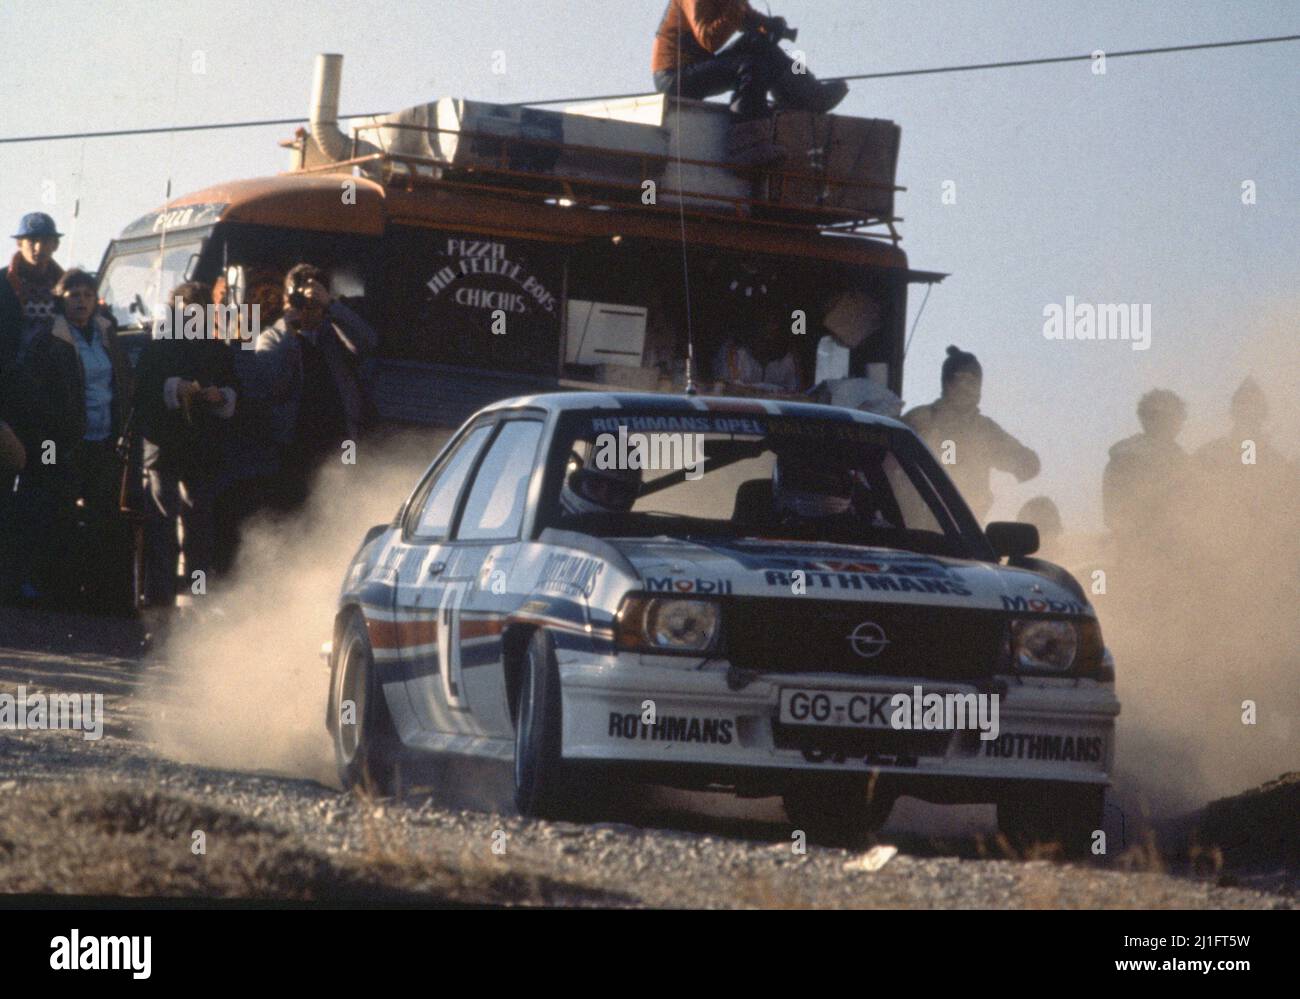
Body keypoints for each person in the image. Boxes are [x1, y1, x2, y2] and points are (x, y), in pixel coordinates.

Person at [133, 281, 238, 609]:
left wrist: (222, 396)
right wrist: (173, 388)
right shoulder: (157, 348)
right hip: (163, 448)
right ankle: (160, 601)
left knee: (199, 528)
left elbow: (235, 392)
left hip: (201, 450)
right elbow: (141, 395)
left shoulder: (218, 350)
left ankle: (197, 597)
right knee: (162, 527)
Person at [254, 264, 377, 509]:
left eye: (312, 302)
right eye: (297, 300)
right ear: (286, 299)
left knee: (346, 495)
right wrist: (290, 334)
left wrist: (332, 306)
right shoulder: (272, 337)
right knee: (298, 506)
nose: (306, 309)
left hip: (345, 439)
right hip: (297, 442)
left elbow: (368, 343)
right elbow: (273, 383)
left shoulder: (336, 333)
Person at [50, 268, 133, 607]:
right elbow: (38, 395)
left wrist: (123, 428)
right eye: (73, 295)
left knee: (104, 516)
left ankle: (103, 595)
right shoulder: (51, 339)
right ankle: (64, 592)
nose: (81, 301)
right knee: (63, 513)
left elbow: (124, 381)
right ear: (61, 300)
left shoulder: (107, 335)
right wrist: (49, 449)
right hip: (66, 443)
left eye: (87, 295)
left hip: (105, 440)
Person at [902, 346, 1040, 522]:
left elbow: (1028, 465)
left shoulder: (985, 430)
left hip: (966, 527)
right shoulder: (921, 420)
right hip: (917, 523)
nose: (966, 388)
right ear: (947, 383)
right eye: (961, 380)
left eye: (972, 381)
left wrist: (1019, 460)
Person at [651, 1, 848, 121]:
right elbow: (709, 40)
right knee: (750, 66)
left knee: (760, 44)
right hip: (674, 78)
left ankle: (808, 95)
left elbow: (748, 18)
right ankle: (746, 133)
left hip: (696, 68)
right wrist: (737, 8)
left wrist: (770, 25)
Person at [1102, 388, 1190, 544]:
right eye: (1167, 417)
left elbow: (1112, 514)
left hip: (1133, 546)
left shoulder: (1122, 457)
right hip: (1156, 547)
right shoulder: (1128, 459)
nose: (1176, 424)